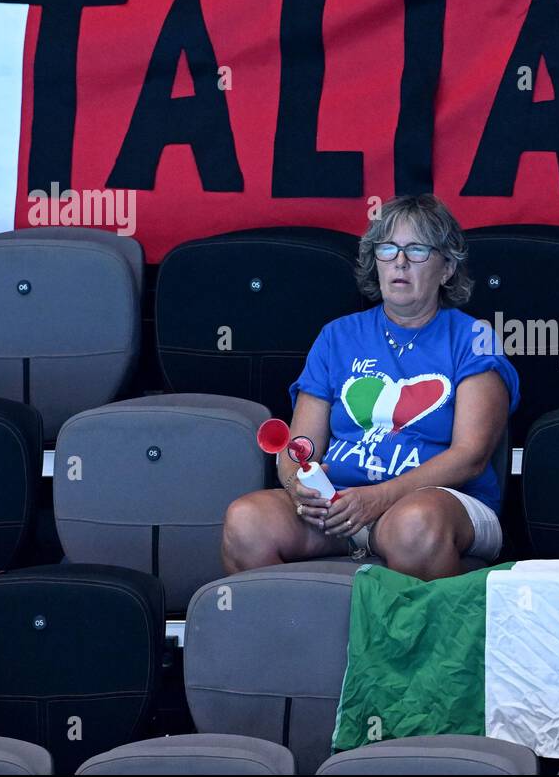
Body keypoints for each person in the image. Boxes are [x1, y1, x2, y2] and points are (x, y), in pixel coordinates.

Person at [222, 194, 519, 581]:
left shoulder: (473, 338)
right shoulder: (337, 336)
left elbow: (470, 457)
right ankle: (295, 638)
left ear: (447, 268)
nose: (399, 261)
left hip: (443, 504)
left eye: (416, 249)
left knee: (411, 526)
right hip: (342, 504)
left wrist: (380, 497)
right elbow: (301, 447)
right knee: (246, 522)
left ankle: (427, 642)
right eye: (388, 248)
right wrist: (299, 487)